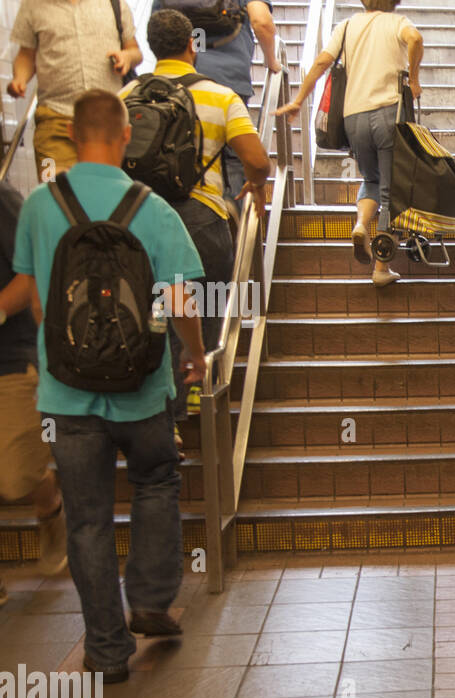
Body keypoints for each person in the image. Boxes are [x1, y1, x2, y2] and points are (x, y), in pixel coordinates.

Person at [11, 89, 206, 684]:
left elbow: (36, 296)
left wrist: (61, 355)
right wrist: (194, 354)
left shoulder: (41, 206)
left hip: (66, 397)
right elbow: (180, 299)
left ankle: (106, 649)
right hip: (142, 386)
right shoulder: (153, 207)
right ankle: (149, 598)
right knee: (155, 481)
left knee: (88, 520)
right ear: (126, 137)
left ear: (71, 134)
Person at [123, 9, 271, 433]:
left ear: (152, 47)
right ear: (194, 45)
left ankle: (154, 411)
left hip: (140, 218)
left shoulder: (125, 97)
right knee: (203, 302)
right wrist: (254, 184)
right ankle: (194, 384)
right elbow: (257, 161)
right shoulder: (220, 95)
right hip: (201, 219)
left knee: (153, 309)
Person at [276, 0, 423, 287]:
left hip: (353, 117)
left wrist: (297, 100)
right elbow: (415, 39)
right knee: (391, 192)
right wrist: (414, 80)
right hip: (388, 114)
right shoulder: (397, 23)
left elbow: (321, 62)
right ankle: (381, 267)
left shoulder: (346, 27)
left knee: (370, 177)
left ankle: (360, 224)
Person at [0, 182, 67, 606]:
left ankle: (51, 507)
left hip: (10, 356)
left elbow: (30, 275)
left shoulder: (5, 202)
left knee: (14, 474)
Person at [151, 0, 281, 200]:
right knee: (231, 155)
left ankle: (183, 207)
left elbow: (158, 27)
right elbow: (262, 22)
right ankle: (231, 208)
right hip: (229, 80)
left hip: (177, 83)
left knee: (177, 148)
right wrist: (271, 60)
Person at [7, 0, 144, 177]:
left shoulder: (114, 3)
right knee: (52, 189)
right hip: (55, 123)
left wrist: (127, 57)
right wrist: (20, 78)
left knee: (105, 192)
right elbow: (26, 55)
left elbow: (134, 50)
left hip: (107, 124)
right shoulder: (32, 5)